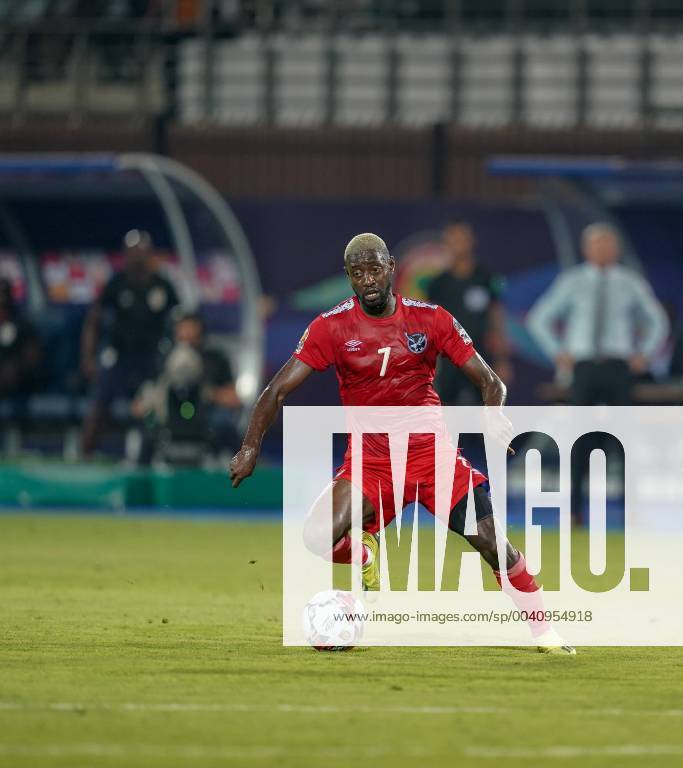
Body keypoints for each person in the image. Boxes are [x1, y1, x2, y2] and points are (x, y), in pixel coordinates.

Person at [230, 232, 575, 655]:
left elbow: (490, 381)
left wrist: (493, 413)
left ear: (391, 267)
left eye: (375, 269)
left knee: (491, 542)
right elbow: (277, 390)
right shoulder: (330, 327)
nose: (368, 280)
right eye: (358, 273)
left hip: (432, 458)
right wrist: (250, 447)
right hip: (372, 463)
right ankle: (365, 554)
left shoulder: (431, 319)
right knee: (316, 536)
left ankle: (544, 631)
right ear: (348, 277)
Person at [526, 222, 669, 522]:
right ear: (586, 249)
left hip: (618, 366)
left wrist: (644, 355)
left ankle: (632, 510)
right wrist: (557, 351)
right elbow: (539, 318)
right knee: (579, 437)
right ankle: (576, 510)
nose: (603, 249)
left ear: (616, 249)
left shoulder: (630, 282)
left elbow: (657, 320)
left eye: (608, 243)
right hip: (584, 366)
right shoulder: (573, 281)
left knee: (624, 437)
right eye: (597, 244)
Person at [80, 229, 179, 456]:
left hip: (151, 357)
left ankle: (152, 455)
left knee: (155, 405)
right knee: (100, 401)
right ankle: (85, 453)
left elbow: (179, 322)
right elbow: (93, 321)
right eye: (132, 251)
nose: (137, 257)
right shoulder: (117, 284)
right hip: (119, 355)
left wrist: (172, 356)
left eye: (142, 251)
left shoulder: (162, 286)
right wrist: (88, 357)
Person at [132, 311, 241, 464]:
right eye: (183, 327)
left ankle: (242, 469)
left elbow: (234, 399)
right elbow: (139, 403)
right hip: (168, 415)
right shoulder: (161, 358)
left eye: (192, 327)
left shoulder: (215, 358)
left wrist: (210, 393)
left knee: (224, 424)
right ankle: (141, 473)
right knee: (148, 426)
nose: (187, 332)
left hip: (205, 416)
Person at [427, 220, 510, 404]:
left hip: (482, 355)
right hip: (448, 358)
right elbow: (430, 324)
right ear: (446, 244)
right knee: (446, 408)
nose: (458, 245)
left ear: (471, 241)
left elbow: (497, 316)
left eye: (461, 239)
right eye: (453, 240)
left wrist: (502, 360)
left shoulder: (486, 277)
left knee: (488, 407)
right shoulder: (438, 284)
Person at [0, 278, 42, 400]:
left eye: (4, 293)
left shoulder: (21, 324)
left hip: (15, 376)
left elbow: (33, 355)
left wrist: (18, 365)